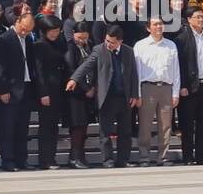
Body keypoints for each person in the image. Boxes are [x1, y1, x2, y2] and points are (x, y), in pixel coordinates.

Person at [66, 25, 139, 168]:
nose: (108, 44)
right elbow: (86, 65)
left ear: (120, 41)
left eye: (112, 42)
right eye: (107, 40)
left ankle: (123, 160)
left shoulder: (128, 51)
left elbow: (133, 74)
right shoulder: (99, 50)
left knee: (125, 131)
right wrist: (74, 79)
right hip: (107, 97)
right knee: (105, 132)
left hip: (124, 97)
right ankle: (108, 160)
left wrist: (135, 94)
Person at [0, 11, 37, 171]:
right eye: (24, 28)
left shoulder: (28, 39)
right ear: (17, 22)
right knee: (8, 127)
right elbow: (0, 68)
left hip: (26, 86)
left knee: (22, 127)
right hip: (10, 89)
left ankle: (22, 159)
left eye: (29, 30)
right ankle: (8, 160)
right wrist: (3, 89)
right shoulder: (5, 39)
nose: (25, 32)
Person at [134, 17, 180, 166]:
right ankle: (144, 156)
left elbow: (176, 70)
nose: (159, 27)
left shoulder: (171, 45)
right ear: (148, 28)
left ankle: (163, 156)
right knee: (145, 124)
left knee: (166, 125)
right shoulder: (140, 46)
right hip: (147, 88)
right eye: (155, 24)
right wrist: (138, 94)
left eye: (160, 24)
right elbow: (137, 72)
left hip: (166, 87)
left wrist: (175, 92)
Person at [175, 7, 203, 165]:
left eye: (202, 16)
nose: (201, 19)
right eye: (197, 17)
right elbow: (180, 64)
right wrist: (182, 85)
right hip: (189, 88)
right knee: (187, 124)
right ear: (189, 19)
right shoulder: (181, 39)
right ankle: (187, 156)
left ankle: (201, 155)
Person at [33, 15, 68, 170]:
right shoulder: (39, 45)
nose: (54, 34)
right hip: (46, 91)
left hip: (59, 89)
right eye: (51, 31)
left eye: (57, 31)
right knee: (46, 126)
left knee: (54, 126)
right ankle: (45, 159)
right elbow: (38, 72)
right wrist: (43, 93)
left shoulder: (60, 43)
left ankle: (52, 158)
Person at [64, 22, 95, 169]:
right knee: (77, 126)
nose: (82, 40)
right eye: (79, 37)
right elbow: (72, 70)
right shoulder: (70, 47)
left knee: (84, 126)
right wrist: (85, 88)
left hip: (89, 91)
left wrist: (93, 86)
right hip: (75, 93)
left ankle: (80, 155)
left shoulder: (89, 46)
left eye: (85, 37)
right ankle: (74, 157)